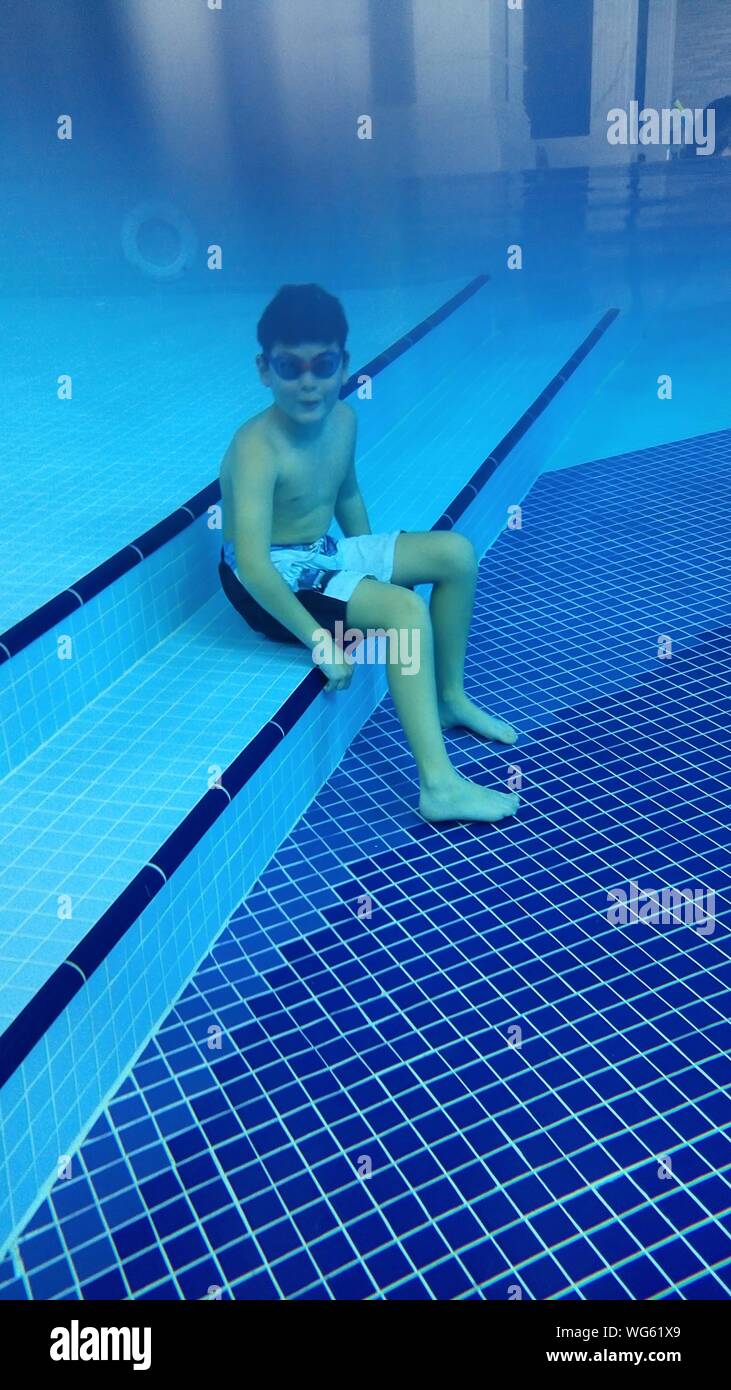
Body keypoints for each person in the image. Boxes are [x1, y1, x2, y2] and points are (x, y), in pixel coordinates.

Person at [218, 283, 520, 824]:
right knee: (405, 614)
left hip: (322, 553)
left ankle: (449, 696)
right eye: (291, 367)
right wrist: (318, 640)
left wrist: (375, 566)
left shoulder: (344, 422)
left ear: (343, 364)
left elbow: (347, 494)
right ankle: (438, 785)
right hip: (265, 581)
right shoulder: (255, 449)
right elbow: (254, 563)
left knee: (455, 553)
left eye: (323, 365)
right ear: (264, 369)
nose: (308, 383)